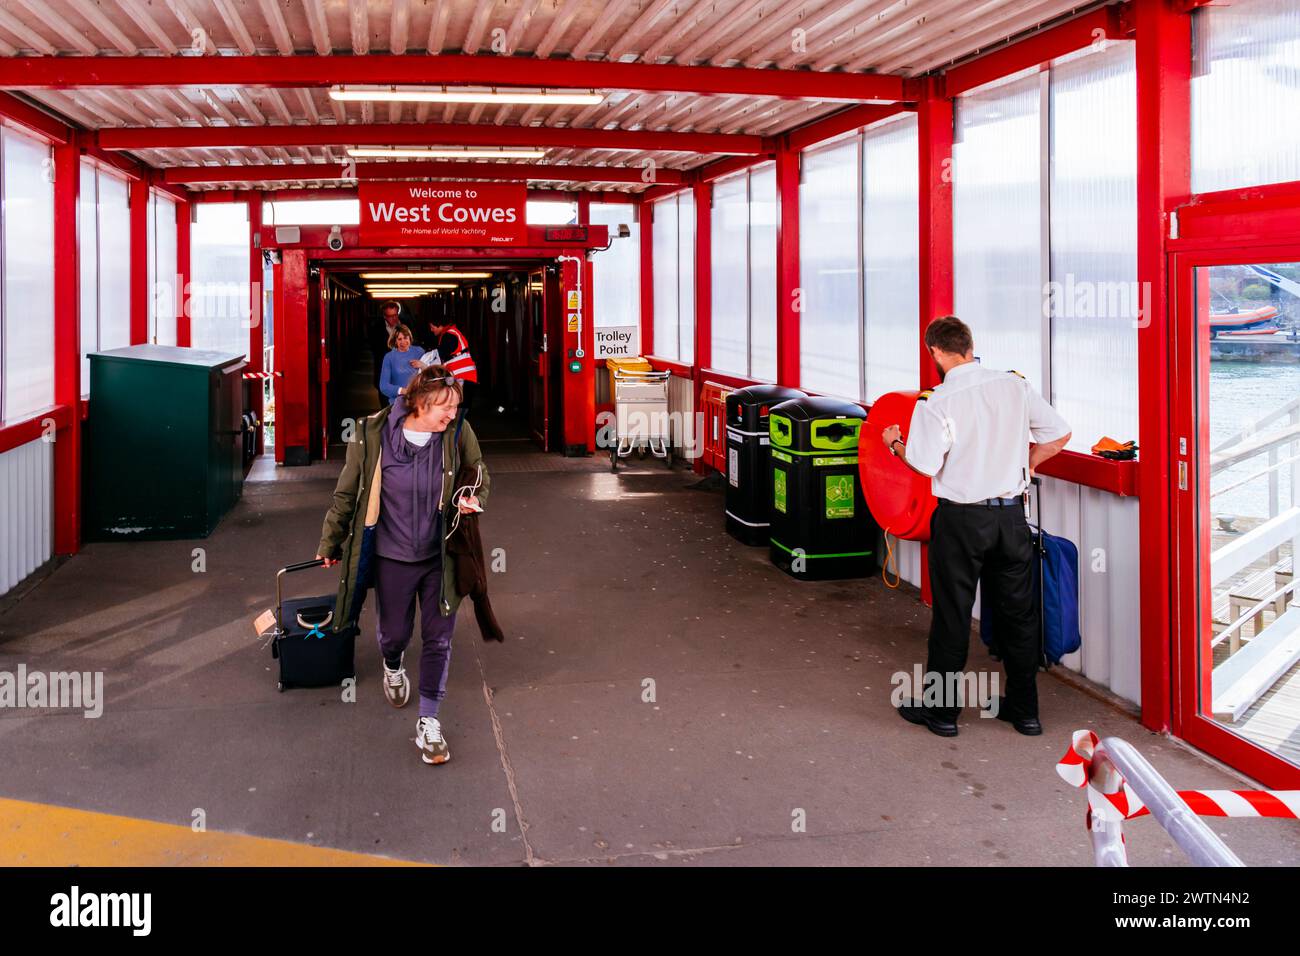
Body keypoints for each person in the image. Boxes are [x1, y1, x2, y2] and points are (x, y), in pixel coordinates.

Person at [881, 315, 1070, 739]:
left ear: (935, 352)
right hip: (1010, 519)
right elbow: (1059, 434)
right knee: (1019, 618)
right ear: (969, 346)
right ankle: (1025, 714)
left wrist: (893, 443)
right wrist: (1026, 465)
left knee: (951, 616)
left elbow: (925, 464)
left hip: (962, 521)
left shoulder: (936, 402)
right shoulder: (1014, 385)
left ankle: (942, 715)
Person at [316, 365, 491, 765]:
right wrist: (331, 541)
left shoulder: (456, 433)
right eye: (444, 407)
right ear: (419, 402)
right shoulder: (373, 434)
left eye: (455, 407)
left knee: (439, 638)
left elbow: (479, 471)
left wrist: (471, 494)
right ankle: (393, 665)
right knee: (393, 634)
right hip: (391, 556)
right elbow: (347, 493)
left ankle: (428, 721)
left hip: (440, 555)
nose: (452, 414)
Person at [426, 316, 478, 413]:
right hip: (466, 373)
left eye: (432, 327)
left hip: (461, 373)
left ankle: (458, 425)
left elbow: (440, 355)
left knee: (459, 405)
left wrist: (424, 365)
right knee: (463, 404)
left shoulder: (447, 336)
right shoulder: (453, 332)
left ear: (439, 326)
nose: (431, 330)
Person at [378, 323, 425, 405]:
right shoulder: (389, 357)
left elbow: (431, 374)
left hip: (419, 401)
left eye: (405, 338)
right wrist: (404, 391)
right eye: (399, 339)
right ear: (395, 341)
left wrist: (423, 365)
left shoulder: (419, 351)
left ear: (410, 338)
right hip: (398, 402)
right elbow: (383, 386)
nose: (403, 342)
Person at [369, 300, 403, 407]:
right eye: (390, 316)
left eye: (395, 315)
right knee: (386, 404)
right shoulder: (376, 328)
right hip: (385, 371)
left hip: (403, 372)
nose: (393, 318)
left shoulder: (405, 325)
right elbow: (375, 349)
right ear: (384, 316)